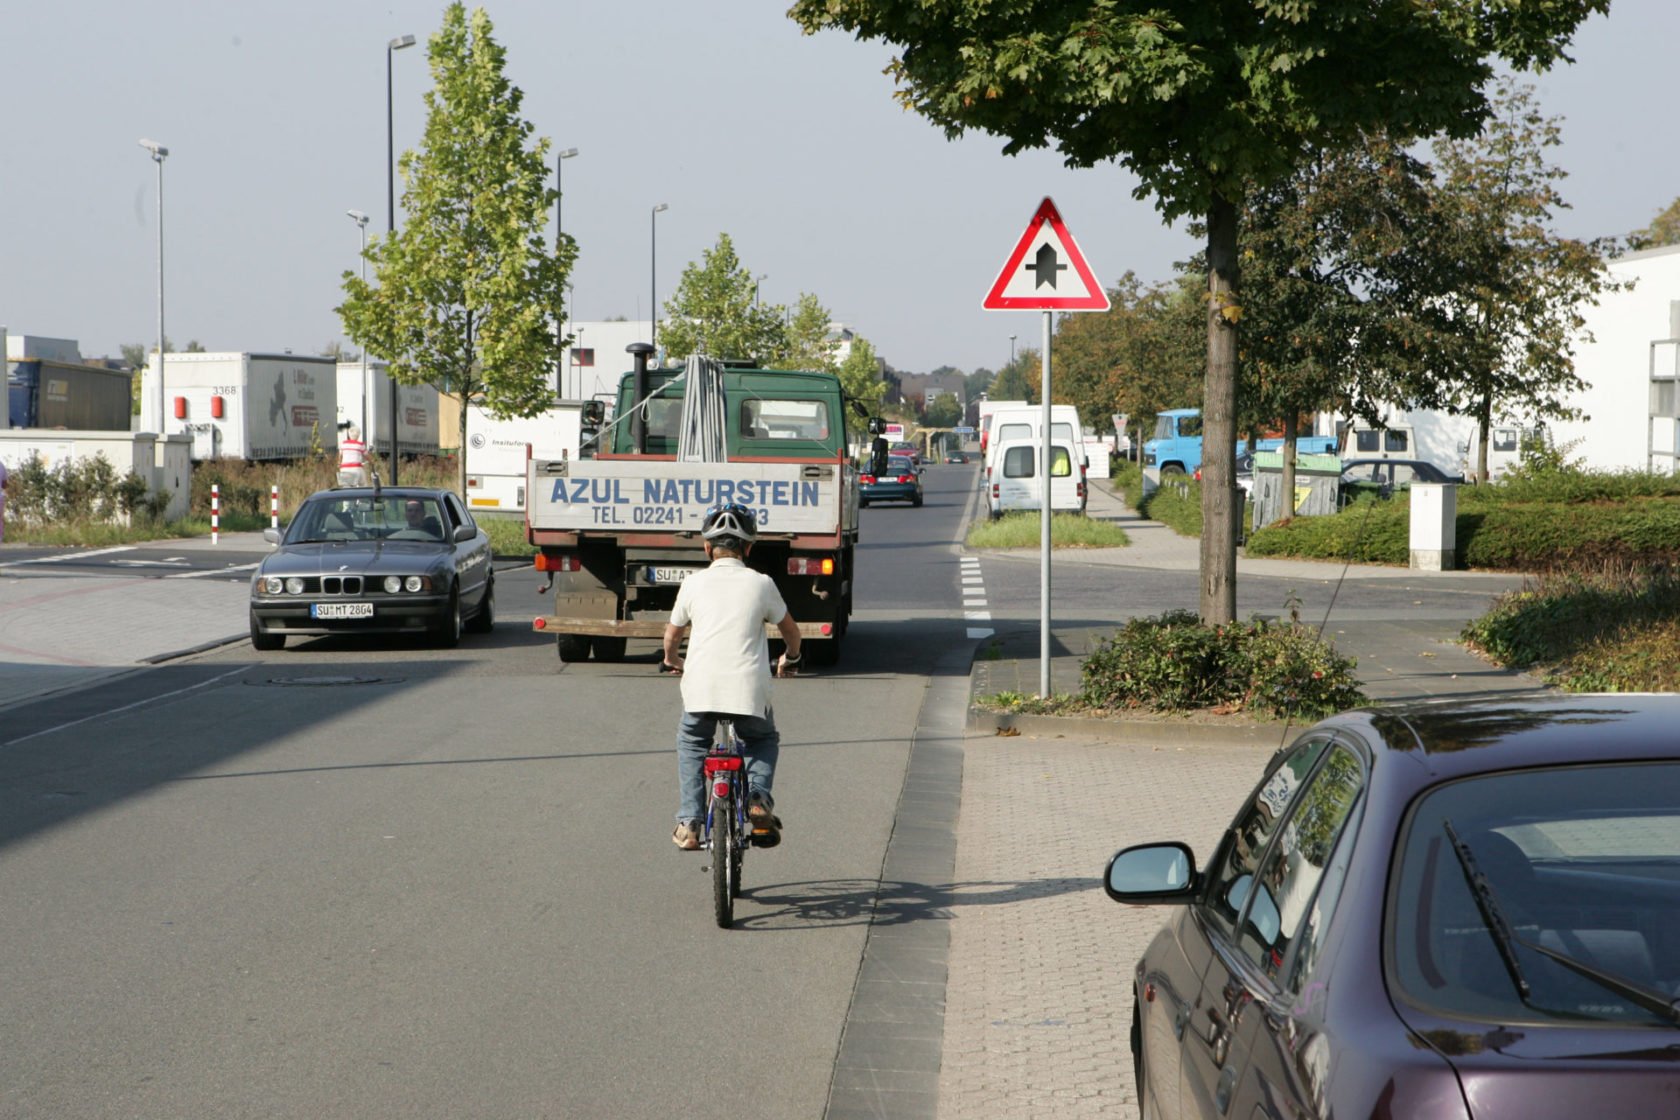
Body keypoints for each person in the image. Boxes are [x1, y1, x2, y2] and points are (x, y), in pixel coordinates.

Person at [661, 503, 802, 851]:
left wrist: (671, 659)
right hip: (749, 693)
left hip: (701, 690)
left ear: (707, 548)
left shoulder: (693, 584)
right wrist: (791, 658)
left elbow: (672, 635)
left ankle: (689, 823)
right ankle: (757, 799)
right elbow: (791, 633)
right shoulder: (761, 583)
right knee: (760, 741)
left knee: (693, 743)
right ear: (748, 548)